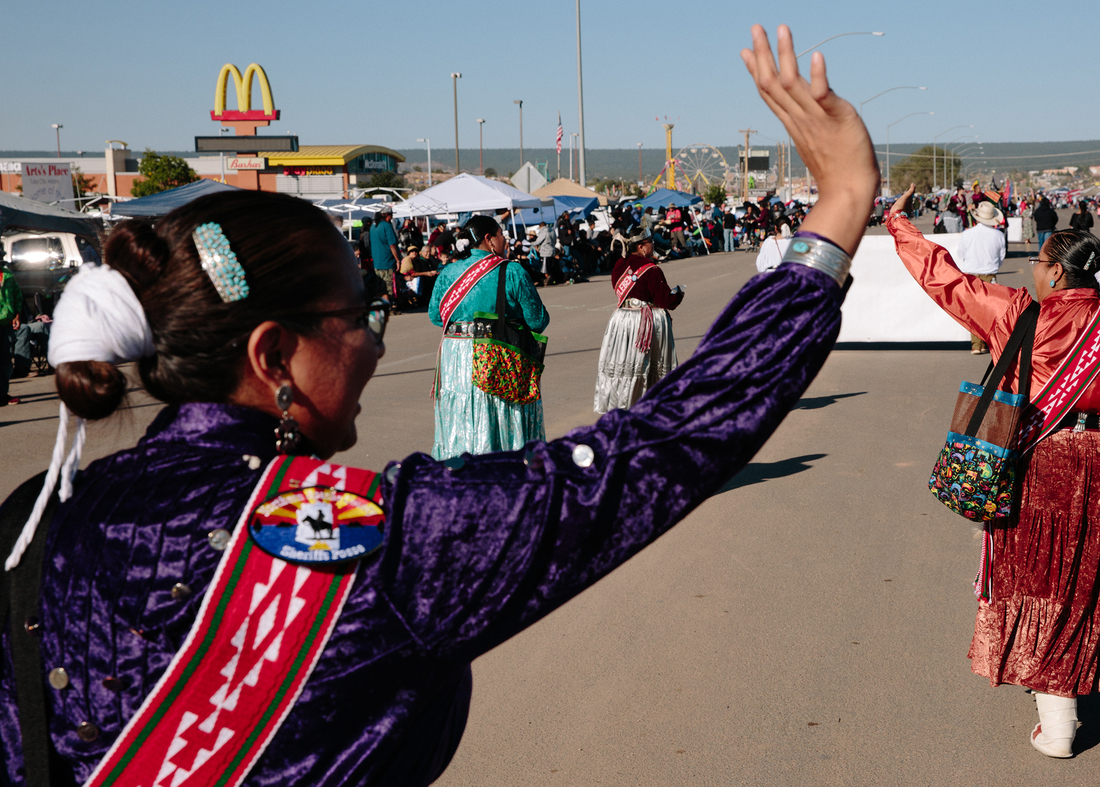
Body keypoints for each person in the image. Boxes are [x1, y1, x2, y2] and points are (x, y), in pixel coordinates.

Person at [0, 25, 879, 785]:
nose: (377, 342)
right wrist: (838, 210)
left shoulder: (37, 523)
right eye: (358, 315)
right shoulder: (358, 541)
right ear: (272, 356)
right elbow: (653, 448)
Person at [886, 188, 1100, 759]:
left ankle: (1058, 722)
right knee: (1085, 580)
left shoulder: (1017, 314)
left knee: (1040, 575)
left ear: (1055, 272)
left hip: (1040, 460)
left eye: (1038, 260)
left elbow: (946, 280)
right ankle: (1064, 692)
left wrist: (900, 225)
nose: (1031, 268)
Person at [428, 216, 551, 458]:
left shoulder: (448, 271)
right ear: (489, 239)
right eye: (501, 234)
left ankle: (458, 469)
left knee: (460, 418)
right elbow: (538, 321)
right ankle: (504, 466)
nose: (505, 239)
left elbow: (435, 316)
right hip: (496, 353)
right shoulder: (512, 271)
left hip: (455, 358)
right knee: (498, 414)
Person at [594, 233, 687, 412]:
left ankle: (620, 404)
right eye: (650, 242)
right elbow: (665, 300)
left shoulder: (619, 265)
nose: (653, 245)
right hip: (641, 322)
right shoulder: (651, 269)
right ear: (640, 246)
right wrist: (679, 294)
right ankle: (647, 403)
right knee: (644, 364)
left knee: (623, 363)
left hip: (621, 320)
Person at [955, 201, 1007, 356]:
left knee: (973, 310)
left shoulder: (968, 234)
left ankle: (976, 344)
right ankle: (984, 342)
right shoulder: (999, 235)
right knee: (989, 311)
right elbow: (1001, 257)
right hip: (990, 275)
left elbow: (960, 253)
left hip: (971, 275)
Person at [370, 210, 401, 302]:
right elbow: (392, 245)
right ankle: (389, 306)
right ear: (387, 215)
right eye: (391, 215)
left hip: (377, 262)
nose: (391, 218)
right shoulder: (387, 226)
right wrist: (398, 260)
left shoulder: (373, 226)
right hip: (387, 262)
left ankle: (380, 306)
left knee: (379, 288)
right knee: (388, 289)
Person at [0, 256, 19, 405]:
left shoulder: (7, 275)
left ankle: (2, 394)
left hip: (5, 323)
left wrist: (16, 315)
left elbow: (17, 296)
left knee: (5, 360)